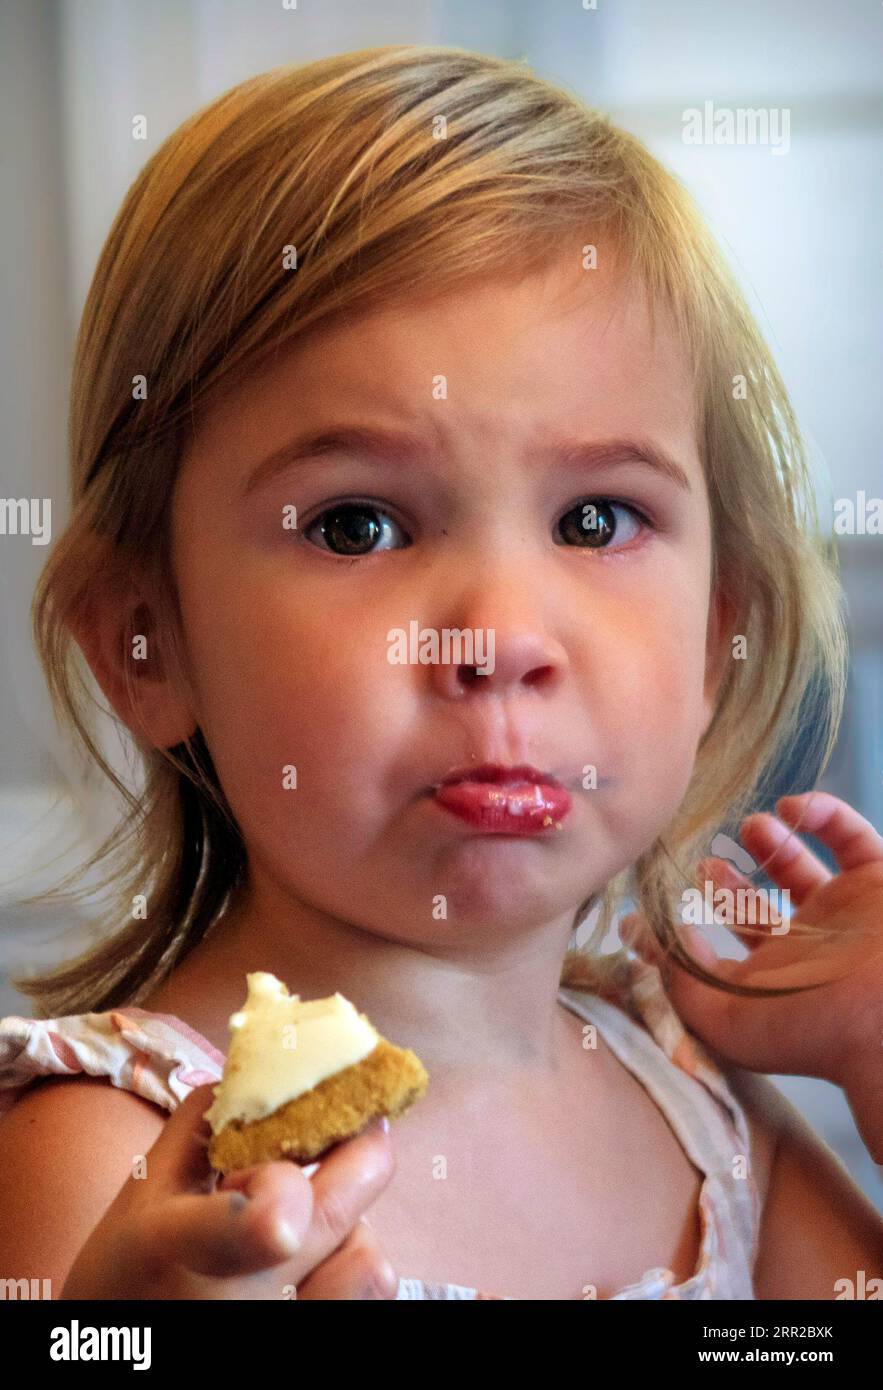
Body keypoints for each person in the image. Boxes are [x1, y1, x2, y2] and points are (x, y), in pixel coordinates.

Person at [1, 44, 881, 1301]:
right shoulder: (116, 1155)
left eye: (595, 521)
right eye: (358, 525)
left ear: (711, 636)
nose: (498, 637)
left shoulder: (707, 1114)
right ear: (149, 641)